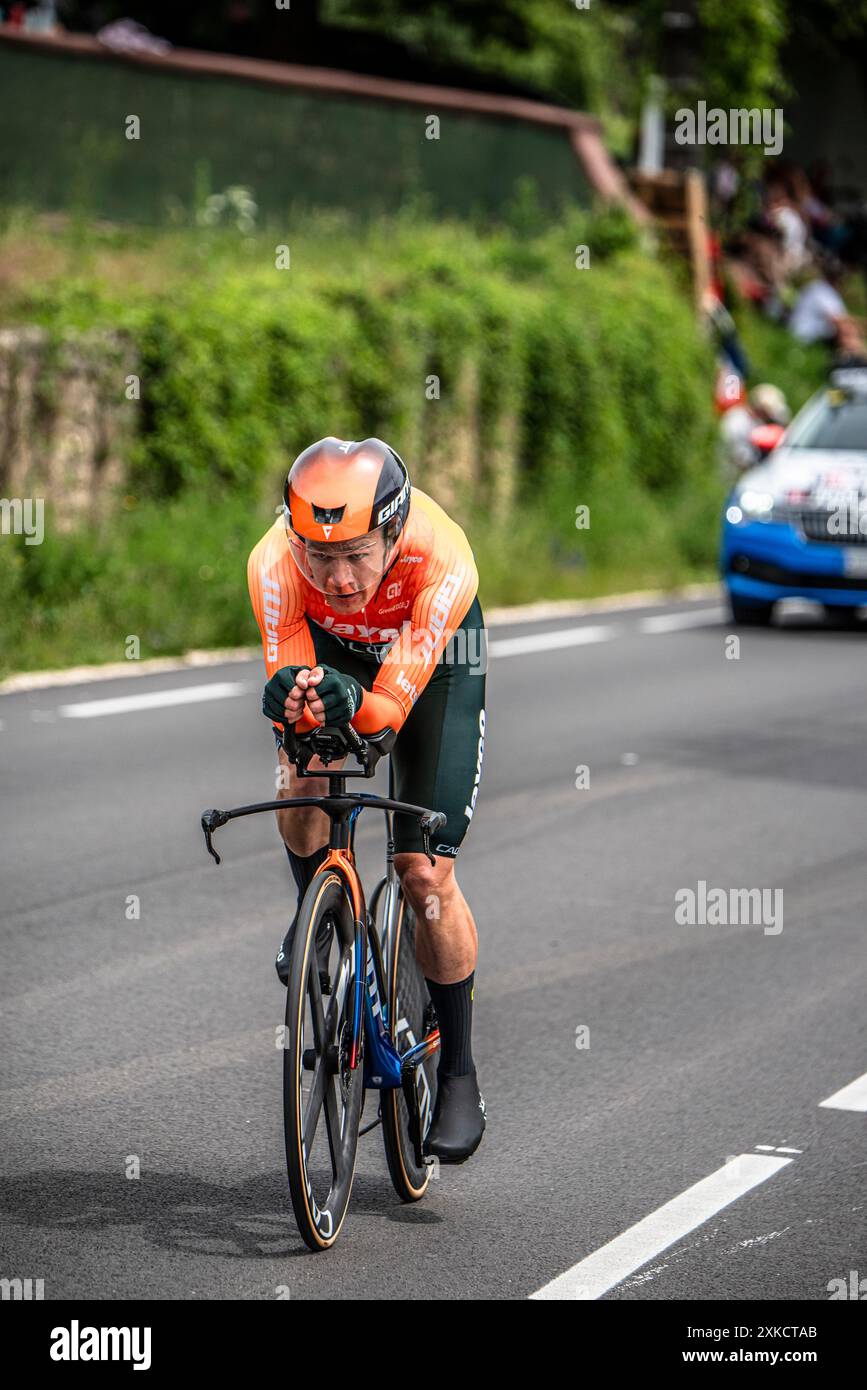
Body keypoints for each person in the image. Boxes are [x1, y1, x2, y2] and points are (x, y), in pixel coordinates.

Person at [248, 437, 487, 1163]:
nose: (340, 577)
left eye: (357, 553)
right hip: (335, 654)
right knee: (300, 779)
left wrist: (359, 703)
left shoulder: (440, 557)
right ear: (295, 543)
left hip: (433, 664)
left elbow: (383, 715)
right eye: (320, 558)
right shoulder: (271, 567)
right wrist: (295, 707)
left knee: (423, 872)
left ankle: (458, 1072)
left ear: (392, 529)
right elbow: (295, 694)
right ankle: (316, 912)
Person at [719, 383, 791, 476]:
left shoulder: (759, 422)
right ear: (760, 409)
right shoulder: (736, 422)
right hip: (733, 477)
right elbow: (742, 458)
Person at [789, 257, 848, 345]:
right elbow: (839, 322)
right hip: (803, 338)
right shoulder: (821, 290)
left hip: (808, 336)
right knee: (846, 332)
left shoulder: (818, 286)